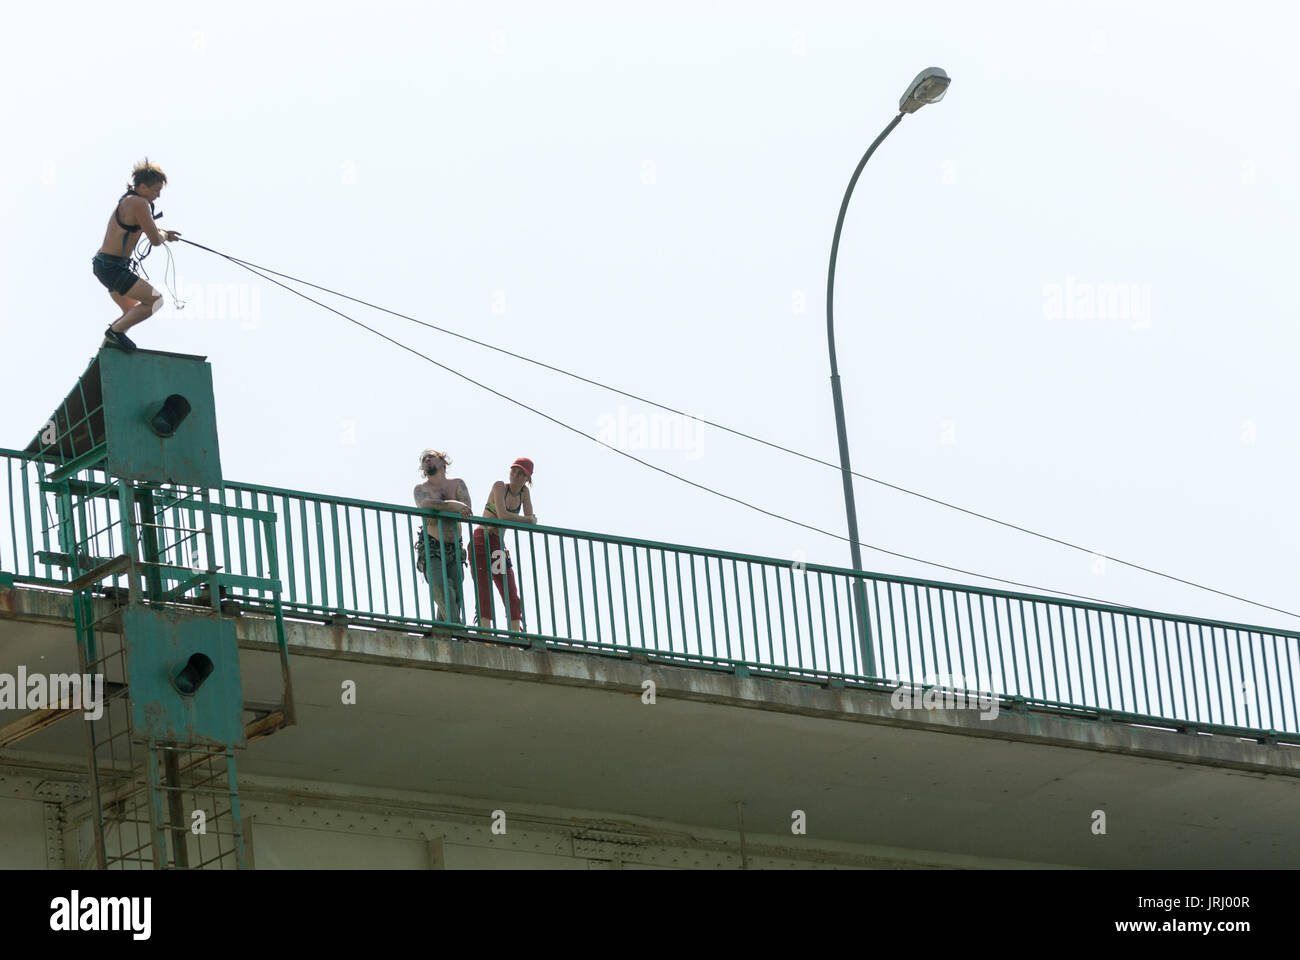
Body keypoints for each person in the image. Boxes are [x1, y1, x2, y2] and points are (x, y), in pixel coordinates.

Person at [92, 159, 181, 353]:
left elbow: (149, 228)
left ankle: (107, 347)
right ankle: (114, 333)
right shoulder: (139, 203)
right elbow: (156, 240)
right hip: (112, 268)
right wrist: (165, 235)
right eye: (155, 190)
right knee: (155, 300)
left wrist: (165, 233)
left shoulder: (130, 200)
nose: (157, 196)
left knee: (130, 313)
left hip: (106, 266)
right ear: (142, 186)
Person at [471, 458, 537, 633]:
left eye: (521, 473)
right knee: (484, 587)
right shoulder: (500, 486)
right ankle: (486, 633)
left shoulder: (524, 493)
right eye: (514, 471)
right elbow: (502, 516)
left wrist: (528, 519)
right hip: (481, 539)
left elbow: (531, 521)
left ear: (527, 478)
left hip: (497, 543)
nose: (516, 475)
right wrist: (526, 519)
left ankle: (515, 634)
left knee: (509, 588)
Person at [412, 449, 472, 624]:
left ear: (443, 462)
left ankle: (443, 632)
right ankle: (458, 628)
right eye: (424, 459)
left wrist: (439, 508)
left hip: (454, 547)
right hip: (432, 546)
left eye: (431, 457)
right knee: (442, 589)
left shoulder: (457, 484)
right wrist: (452, 505)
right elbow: (425, 504)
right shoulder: (421, 489)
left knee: (456, 594)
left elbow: (466, 508)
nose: (427, 460)